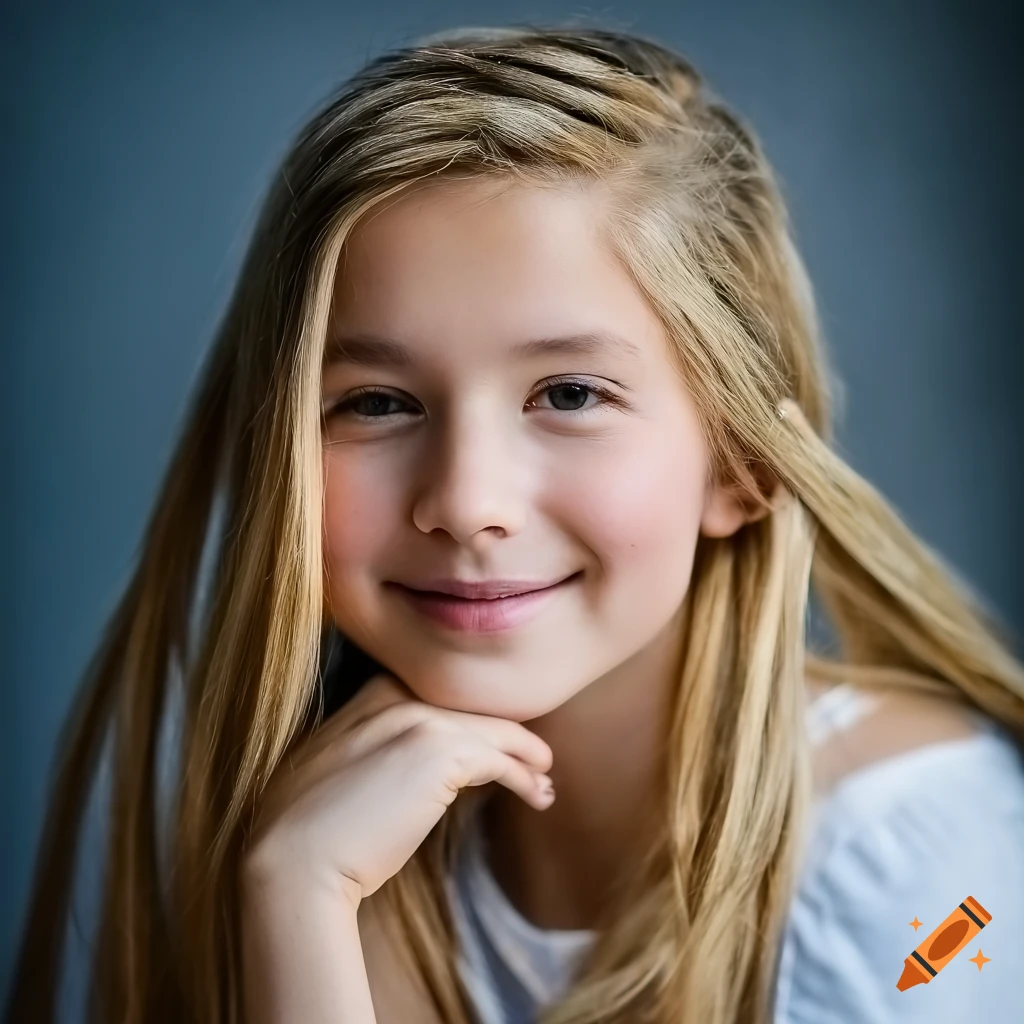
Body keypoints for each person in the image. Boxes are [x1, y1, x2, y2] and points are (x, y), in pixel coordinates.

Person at [8, 22, 1024, 1024]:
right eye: (375, 402)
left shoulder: (926, 875)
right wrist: (297, 904)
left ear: (742, 462)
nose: (466, 501)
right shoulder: (326, 840)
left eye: (570, 394)